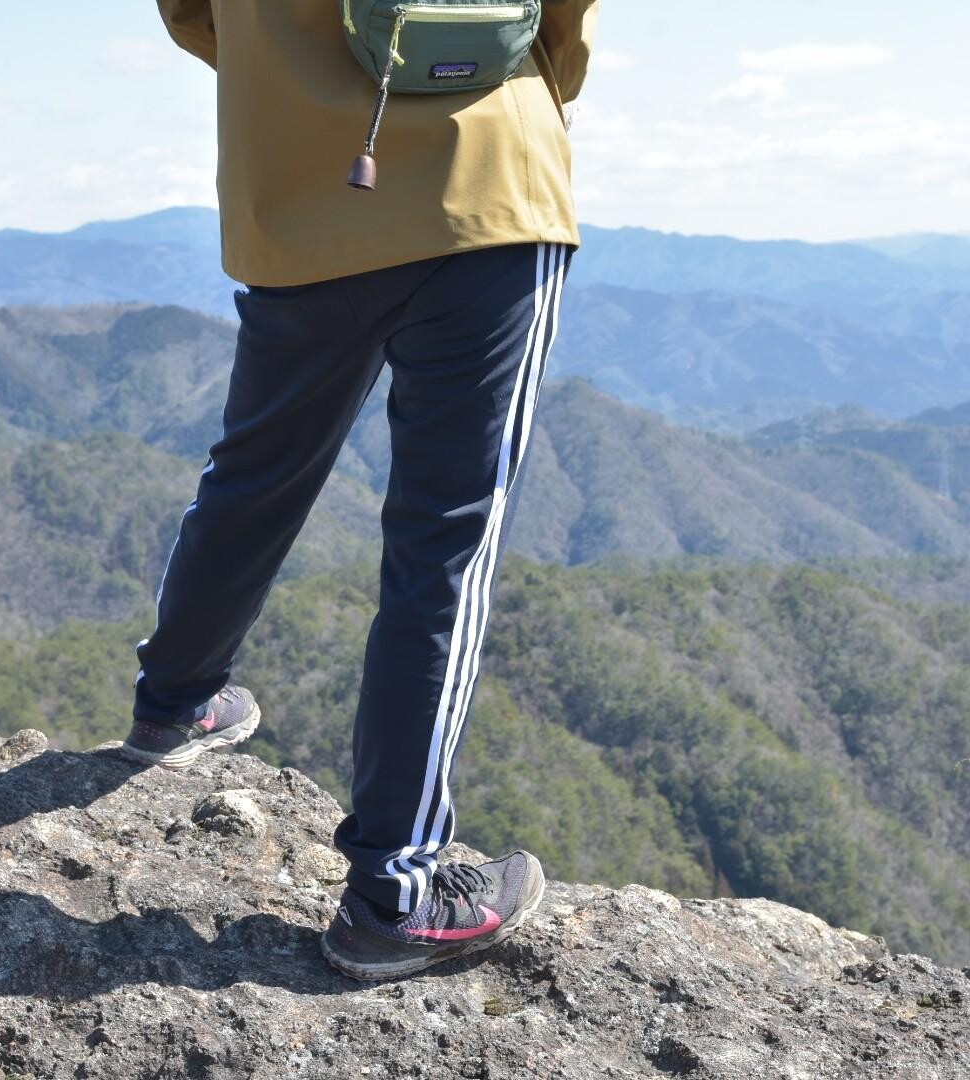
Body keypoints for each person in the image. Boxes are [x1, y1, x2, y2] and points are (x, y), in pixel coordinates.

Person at [126, 0, 599, 981]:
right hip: (486, 186)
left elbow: (188, 11)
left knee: (256, 474)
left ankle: (174, 705)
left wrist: (297, 75)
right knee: (444, 548)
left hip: (298, 186)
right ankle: (396, 891)